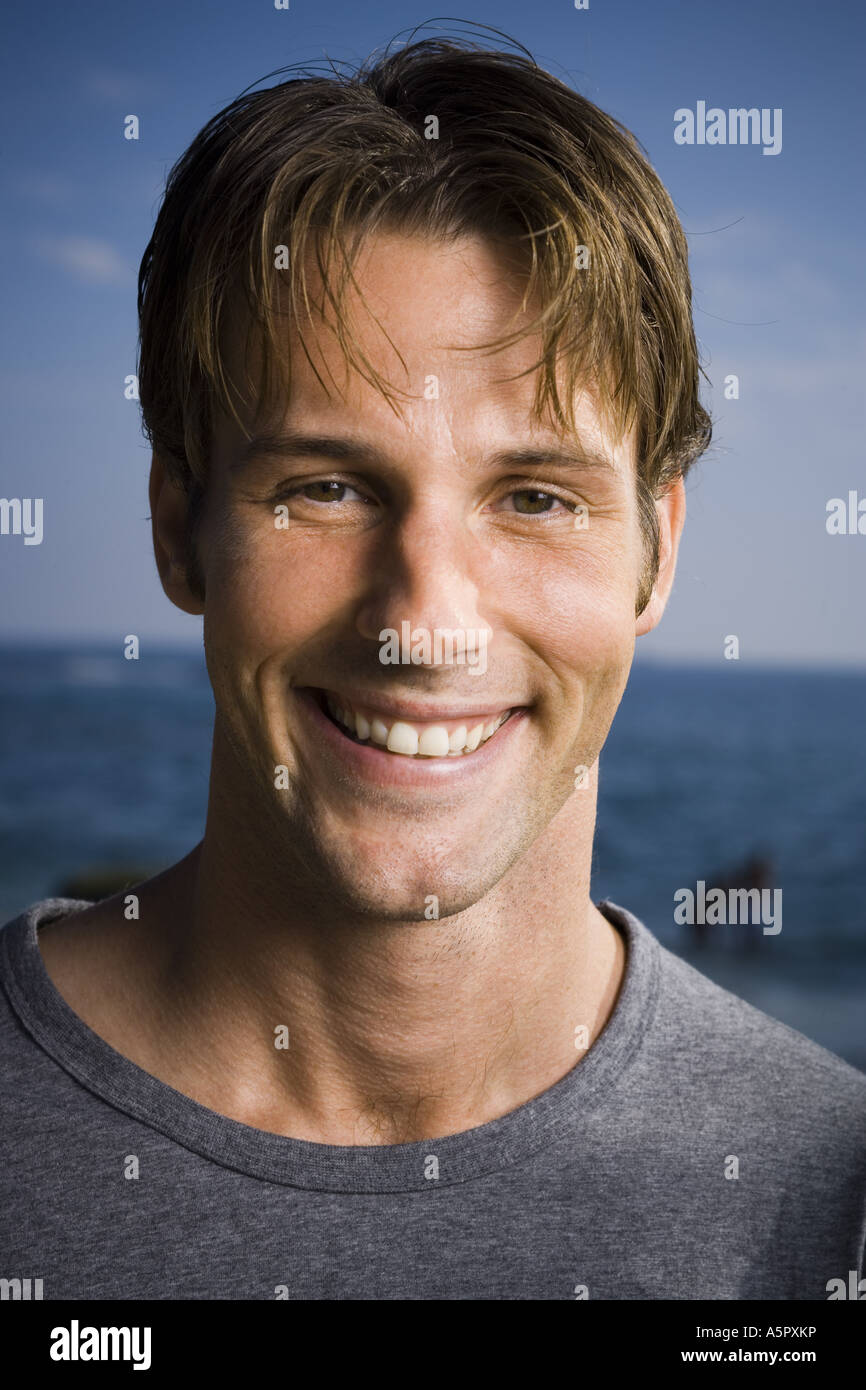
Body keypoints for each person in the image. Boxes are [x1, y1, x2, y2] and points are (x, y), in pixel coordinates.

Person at [1, 31, 864, 1302]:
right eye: (329, 487)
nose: (423, 621)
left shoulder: (826, 1200)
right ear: (177, 527)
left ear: (656, 551)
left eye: (533, 498)